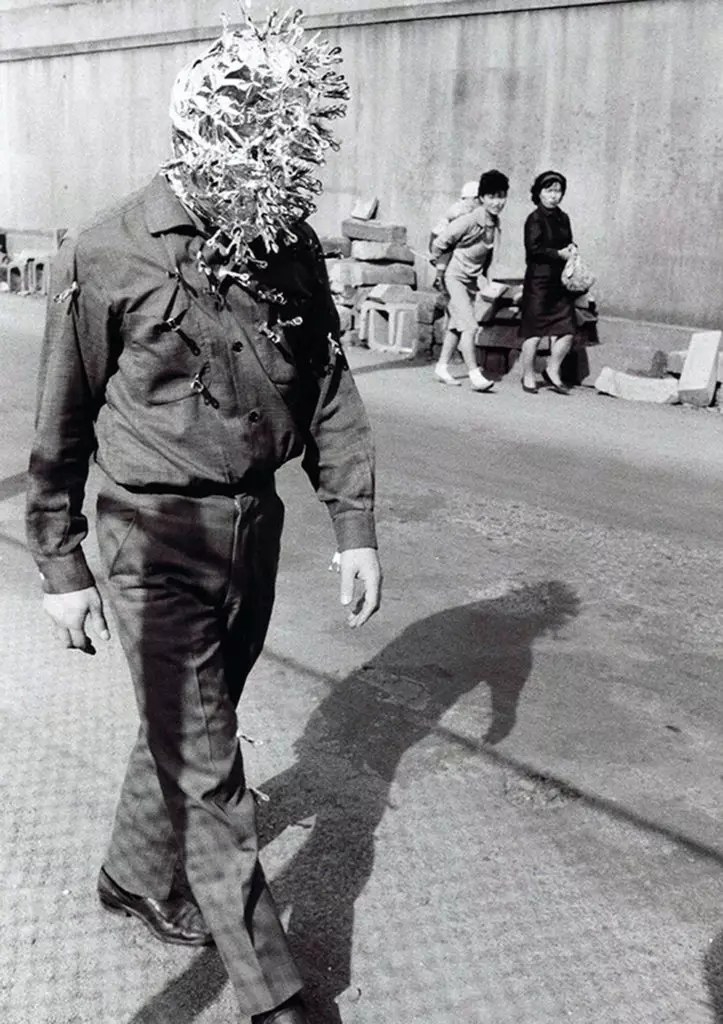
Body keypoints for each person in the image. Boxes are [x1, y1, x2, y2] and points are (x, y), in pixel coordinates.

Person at [25, 10, 382, 1024]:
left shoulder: (285, 244)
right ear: (202, 135)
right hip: (150, 537)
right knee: (213, 769)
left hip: (252, 535)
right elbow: (60, 421)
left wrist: (354, 523)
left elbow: (325, 387)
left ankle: (135, 873)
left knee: (188, 724)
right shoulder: (108, 252)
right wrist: (60, 564)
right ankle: (276, 996)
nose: (266, 175)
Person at [429, 169, 510, 391]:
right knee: (470, 327)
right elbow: (440, 242)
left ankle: (442, 367)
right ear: (482, 198)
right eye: (492, 197)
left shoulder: (494, 222)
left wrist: (485, 279)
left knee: (457, 326)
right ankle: (475, 374)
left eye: (501, 196)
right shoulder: (469, 220)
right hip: (454, 278)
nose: (497, 202)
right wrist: (438, 264)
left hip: (471, 280)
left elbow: (488, 256)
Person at [518, 170, 577, 394]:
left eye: (558, 190)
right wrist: (558, 254)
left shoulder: (564, 218)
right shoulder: (534, 219)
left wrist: (572, 250)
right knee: (533, 332)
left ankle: (552, 370)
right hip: (539, 282)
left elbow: (568, 241)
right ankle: (528, 375)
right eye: (549, 190)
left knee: (567, 330)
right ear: (539, 193)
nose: (554, 195)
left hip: (560, 283)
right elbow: (533, 250)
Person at [429, 179, 480, 289]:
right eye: (476, 199)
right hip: (441, 237)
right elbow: (454, 227)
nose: (478, 202)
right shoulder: (460, 209)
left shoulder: (468, 210)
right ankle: (439, 277)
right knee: (449, 251)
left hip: (448, 237)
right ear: (468, 198)